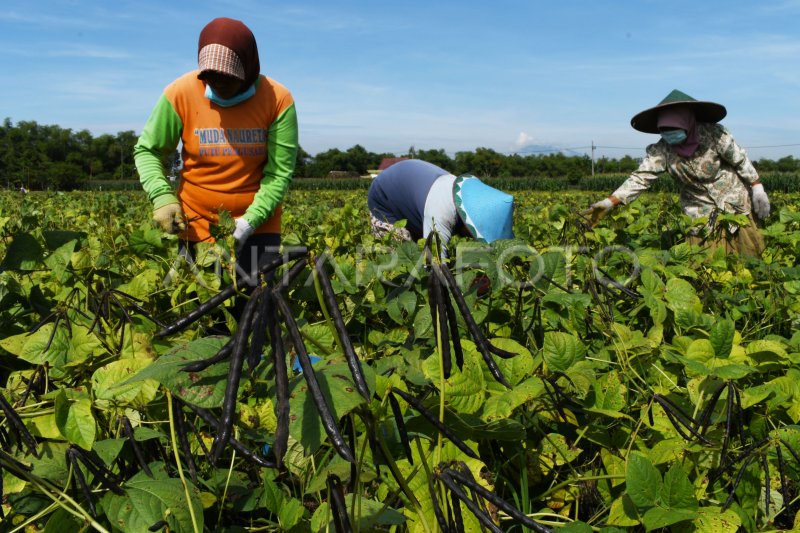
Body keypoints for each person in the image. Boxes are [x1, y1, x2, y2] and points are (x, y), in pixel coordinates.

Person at [134, 17, 298, 285]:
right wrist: (162, 196)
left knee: (257, 307)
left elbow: (279, 173)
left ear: (248, 68)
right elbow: (147, 150)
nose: (219, 84)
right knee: (207, 315)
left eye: (228, 77)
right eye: (210, 76)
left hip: (259, 223)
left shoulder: (277, 99)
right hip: (197, 224)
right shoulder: (181, 93)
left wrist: (251, 220)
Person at [581, 89, 770, 256]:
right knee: (707, 262)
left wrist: (757, 186)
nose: (669, 133)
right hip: (699, 211)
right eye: (664, 130)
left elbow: (740, 159)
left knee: (747, 257)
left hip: (734, 202)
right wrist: (609, 202)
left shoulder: (714, 135)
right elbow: (640, 178)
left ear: (687, 123)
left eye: (674, 128)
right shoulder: (662, 150)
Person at [367, 159, 515, 256]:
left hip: (414, 195)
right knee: (401, 257)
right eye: (473, 234)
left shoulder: (467, 195)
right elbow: (434, 263)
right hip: (384, 197)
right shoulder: (442, 212)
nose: (472, 238)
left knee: (421, 244)